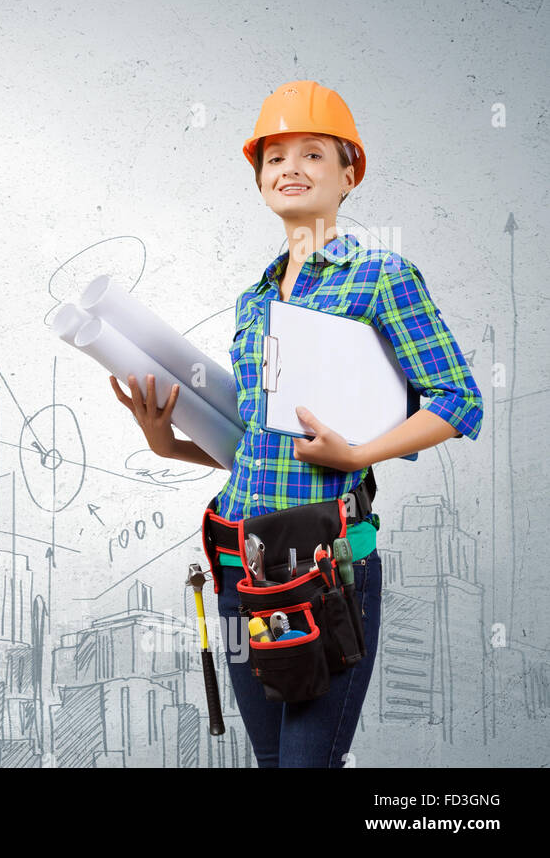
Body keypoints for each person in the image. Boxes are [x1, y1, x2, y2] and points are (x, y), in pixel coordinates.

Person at [109, 80, 483, 767]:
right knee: (274, 763)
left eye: (313, 153)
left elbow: (459, 401)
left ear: (348, 175)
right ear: (259, 179)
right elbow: (258, 448)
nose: (290, 167)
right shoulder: (253, 300)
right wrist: (170, 444)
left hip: (325, 569)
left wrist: (359, 453)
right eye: (274, 155)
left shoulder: (380, 276)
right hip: (236, 564)